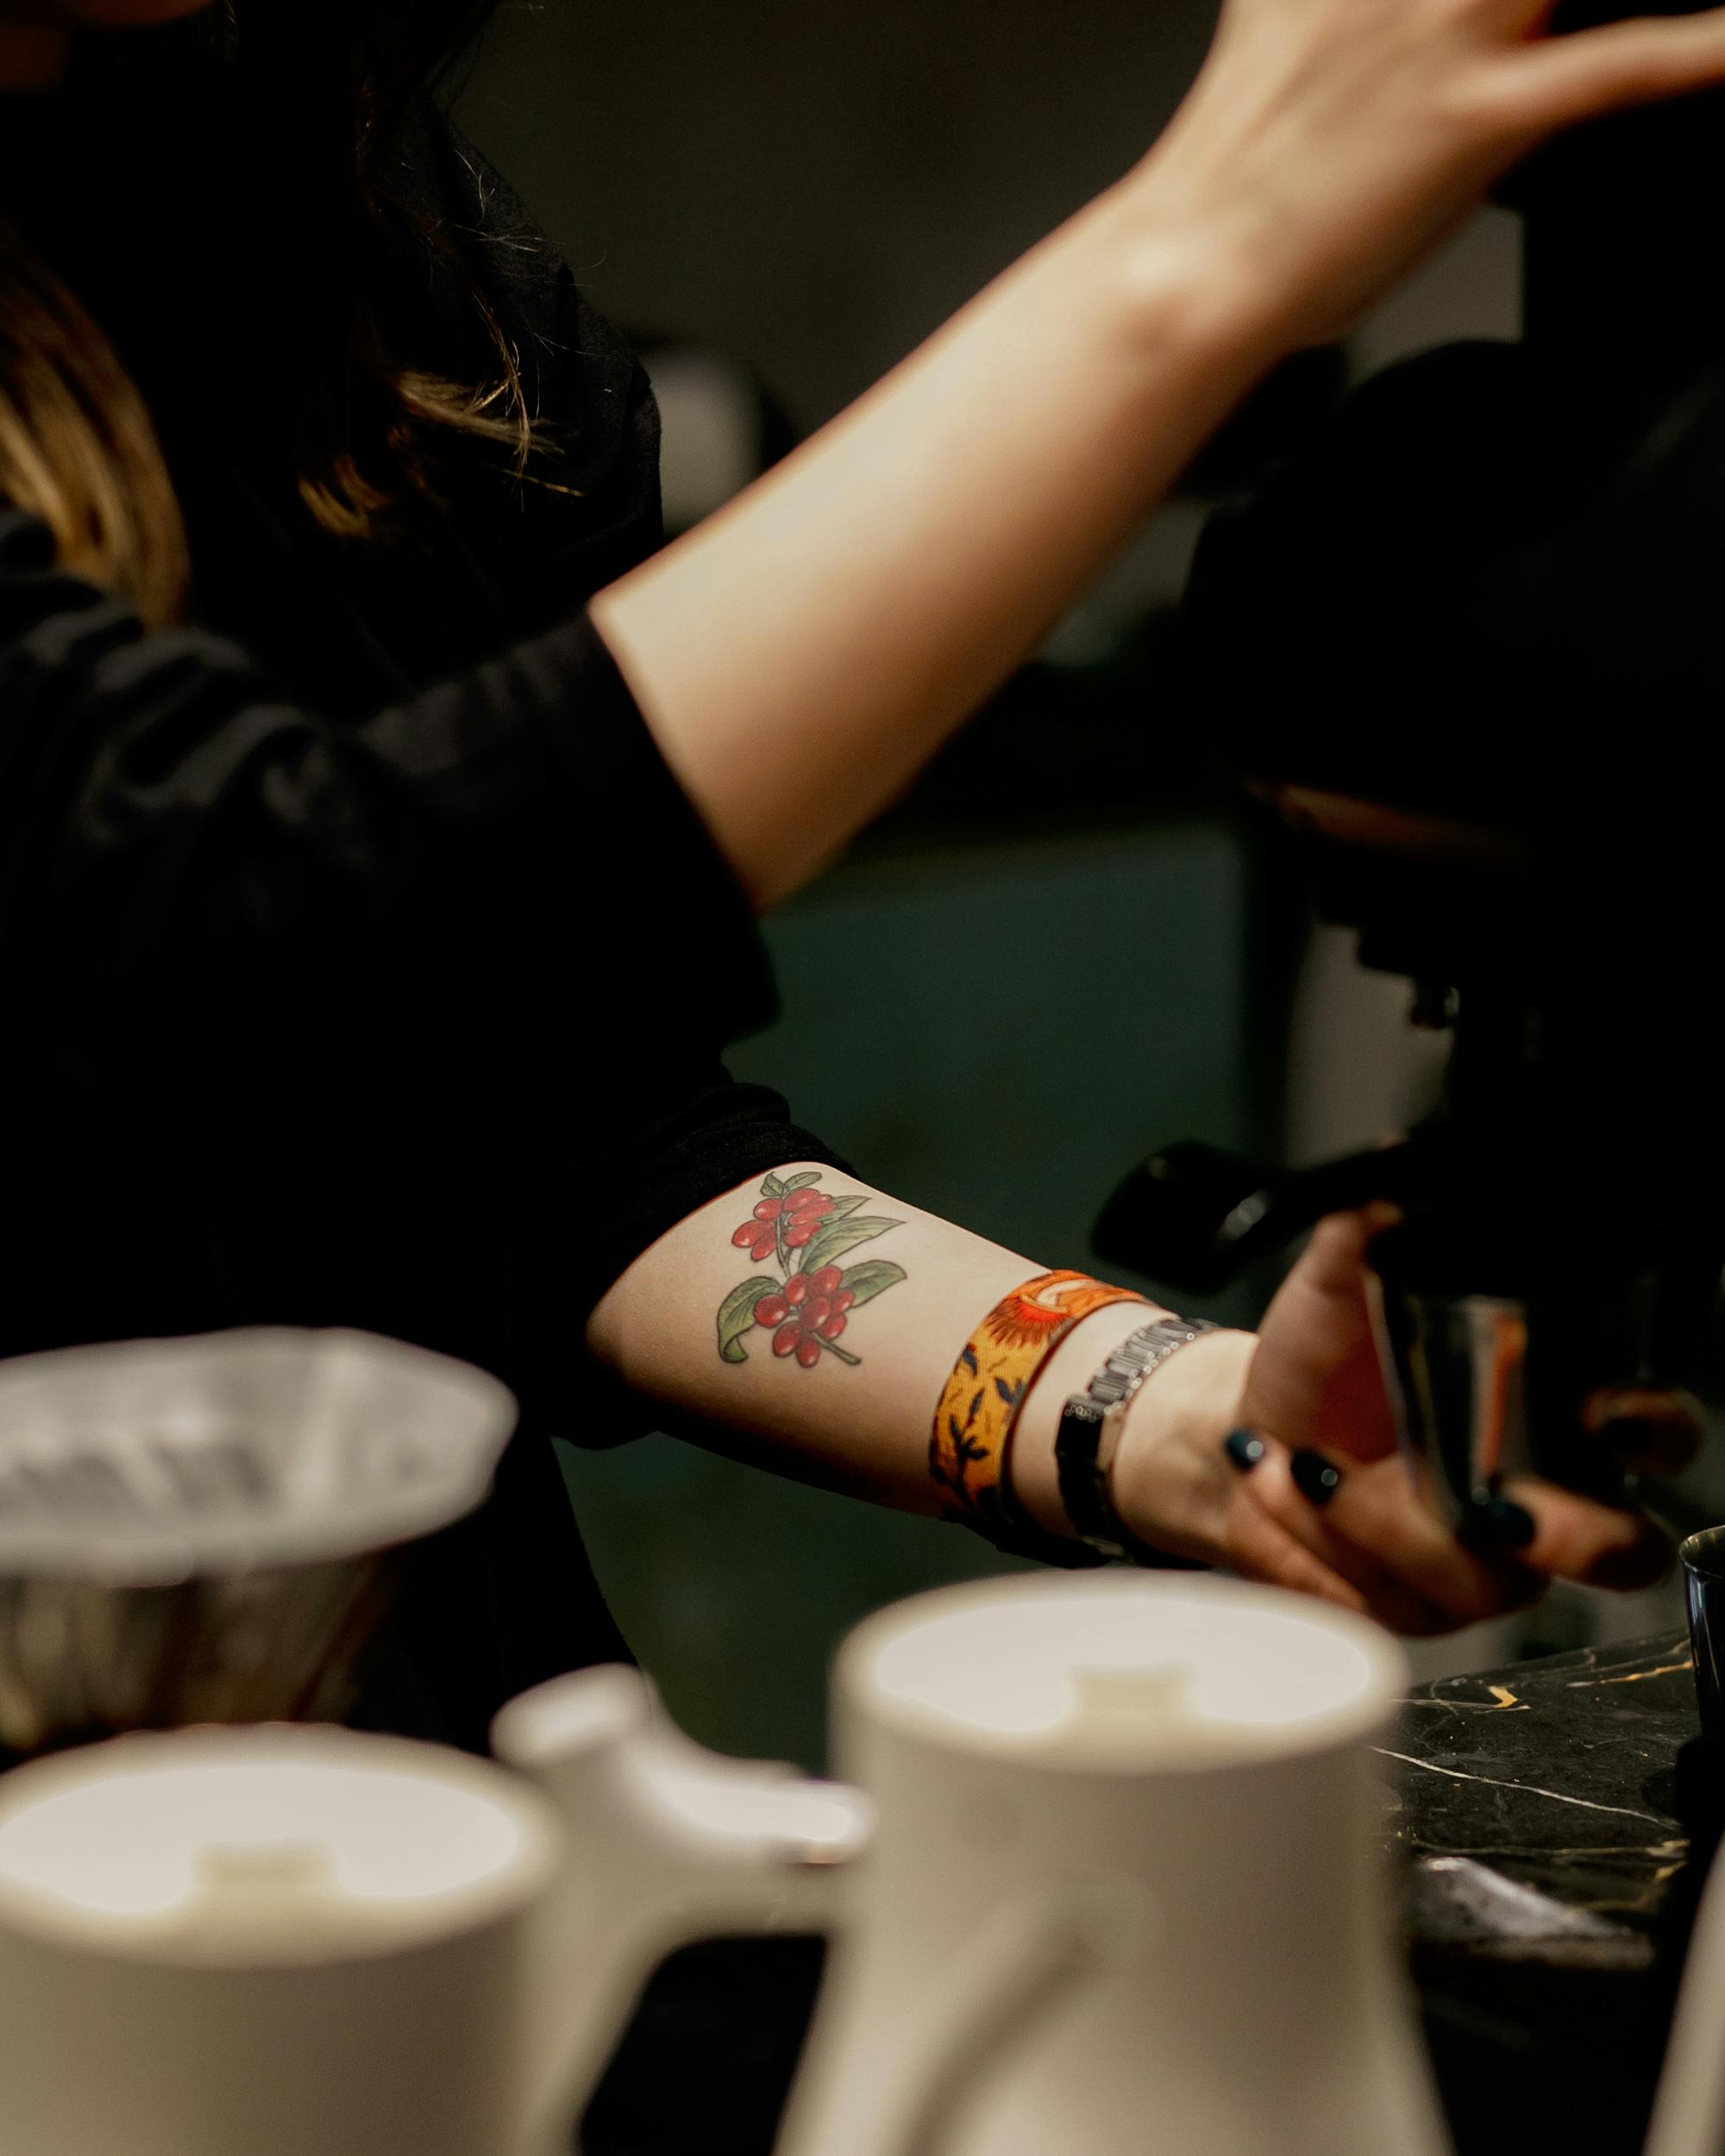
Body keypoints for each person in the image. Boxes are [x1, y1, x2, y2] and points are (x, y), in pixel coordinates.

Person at [1, 0, 1710, 1755]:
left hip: (409, 1841)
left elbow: (547, 1126)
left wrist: (1169, 1415)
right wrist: (1206, 247)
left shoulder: (314, 178)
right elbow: (256, 953)